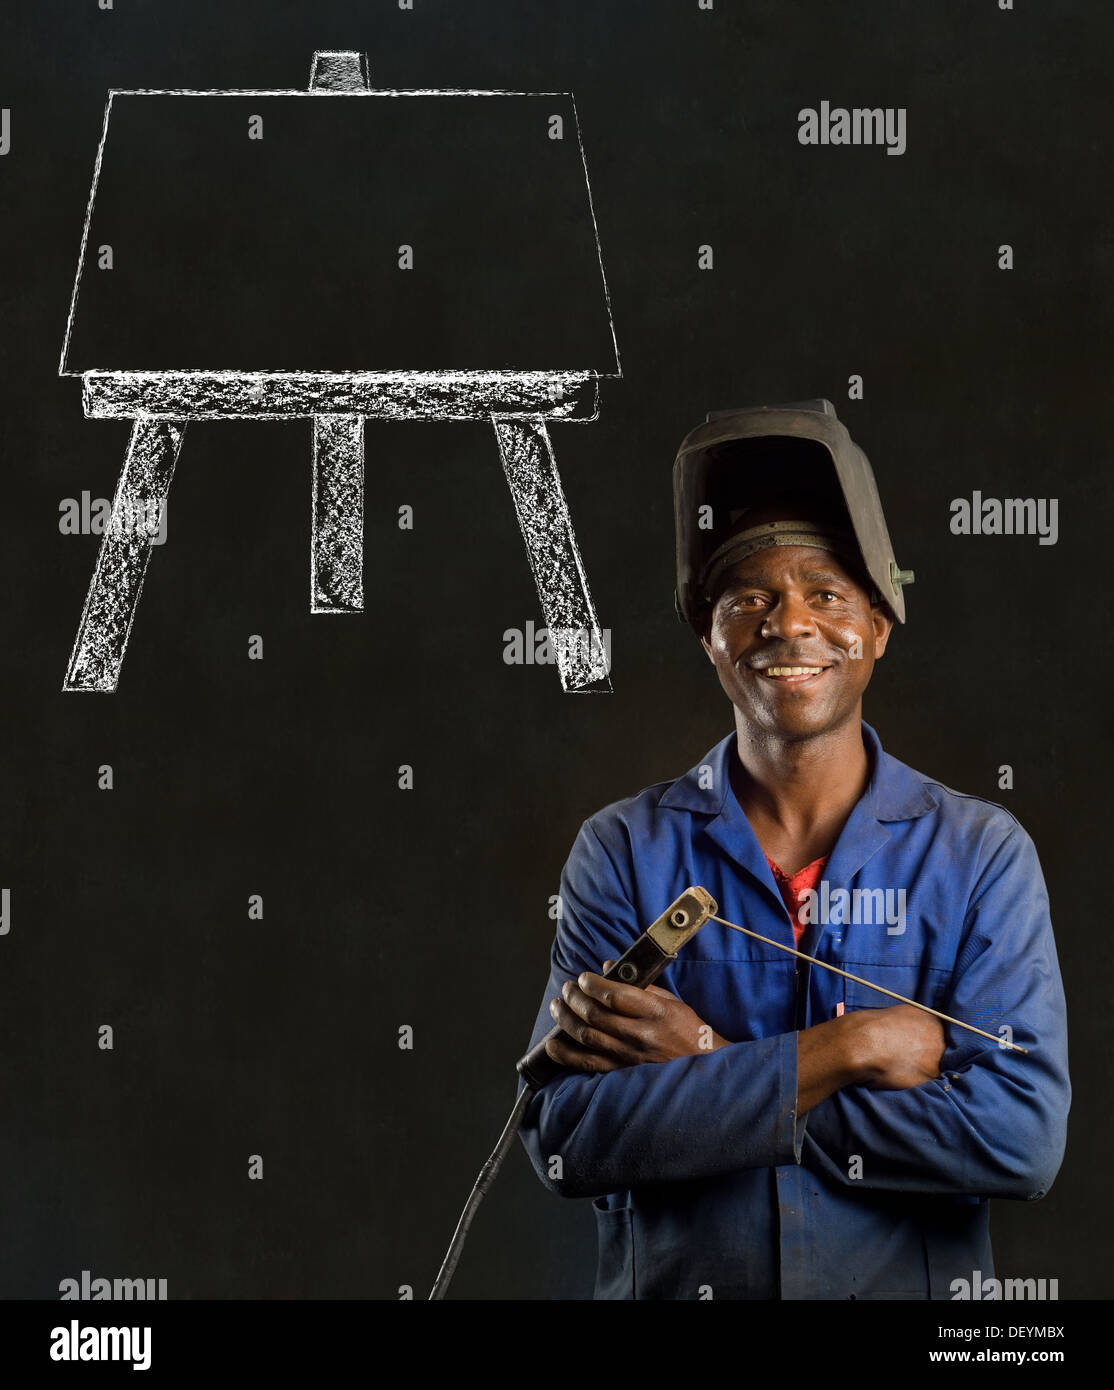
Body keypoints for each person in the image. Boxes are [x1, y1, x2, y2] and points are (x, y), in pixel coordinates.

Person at [517, 399, 1070, 1300]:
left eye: (827, 593)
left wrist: (704, 1059)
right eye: (750, 599)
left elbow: (1018, 1138)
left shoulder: (979, 856)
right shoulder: (623, 851)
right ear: (710, 637)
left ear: (879, 626)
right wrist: (848, 1049)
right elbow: (570, 1134)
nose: (790, 623)